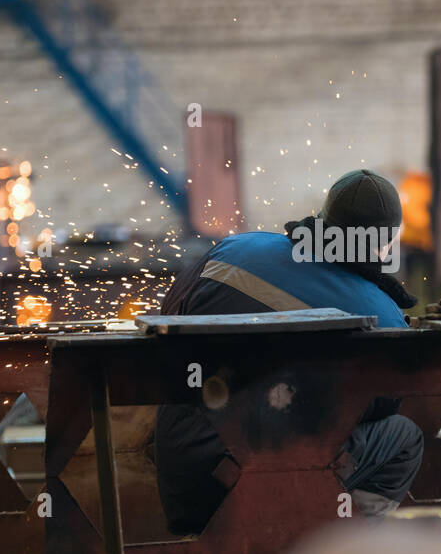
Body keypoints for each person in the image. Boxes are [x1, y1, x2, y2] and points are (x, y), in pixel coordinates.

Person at [153, 169, 423, 534]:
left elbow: (164, 324)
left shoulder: (234, 250)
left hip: (186, 479)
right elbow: (383, 403)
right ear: (386, 244)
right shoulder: (384, 316)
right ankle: (343, 551)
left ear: (321, 220)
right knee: (403, 436)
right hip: (275, 484)